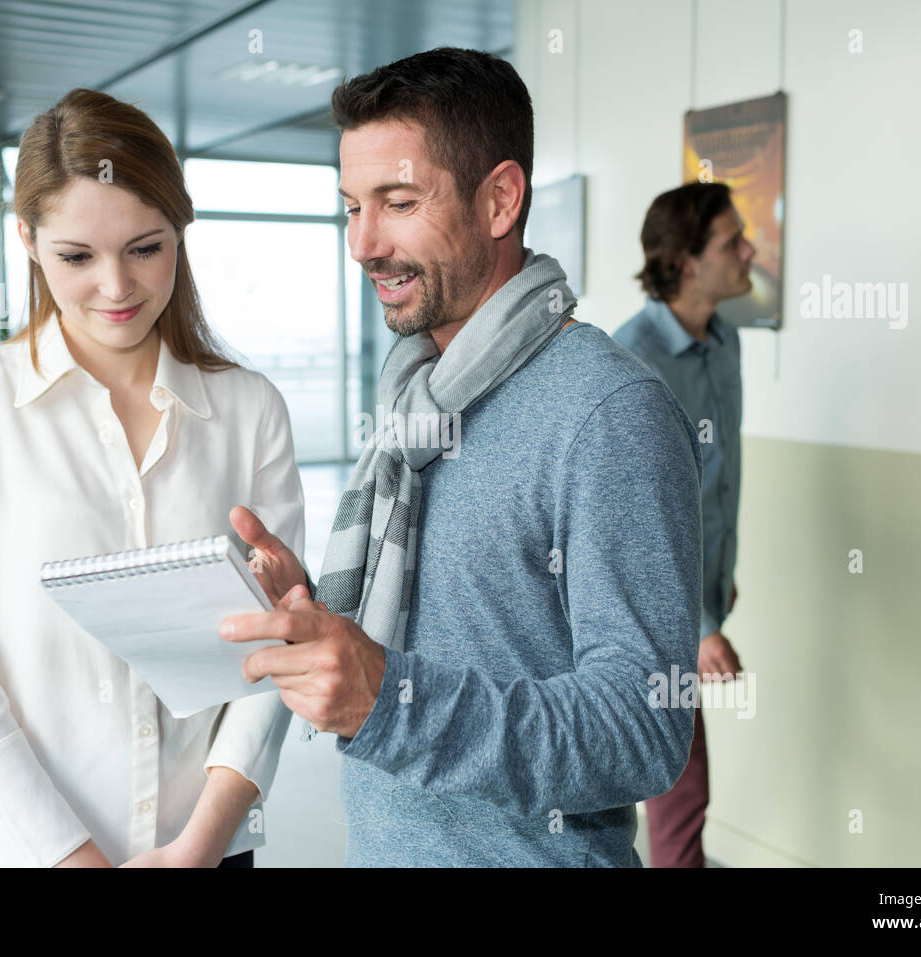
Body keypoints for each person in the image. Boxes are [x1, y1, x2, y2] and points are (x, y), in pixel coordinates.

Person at [224, 47, 704, 867]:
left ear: (500, 200)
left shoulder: (608, 412)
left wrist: (392, 701)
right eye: (351, 207)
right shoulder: (416, 394)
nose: (363, 244)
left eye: (399, 202)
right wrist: (322, 621)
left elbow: (644, 725)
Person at [0, 88, 305, 868]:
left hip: (204, 848)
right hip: (18, 853)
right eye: (77, 256)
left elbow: (277, 645)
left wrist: (198, 848)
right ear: (28, 241)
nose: (117, 288)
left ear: (182, 227)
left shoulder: (249, 410)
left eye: (146, 247)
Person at [611, 181, 751, 867]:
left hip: (695, 606)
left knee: (675, 788)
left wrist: (716, 585)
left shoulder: (725, 343)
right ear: (688, 262)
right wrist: (699, 626)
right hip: (645, 615)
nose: (751, 250)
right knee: (679, 788)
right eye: (734, 240)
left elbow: (713, 480)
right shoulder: (631, 357)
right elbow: (634, 515)